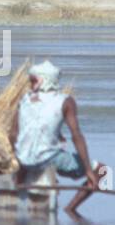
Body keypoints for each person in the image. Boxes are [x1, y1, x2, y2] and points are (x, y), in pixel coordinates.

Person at [8, 60, 105, 216]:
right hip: (48, 158)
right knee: (103, 171)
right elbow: (76, 135)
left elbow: (13, 134)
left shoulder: (24, 100)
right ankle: (70, 210)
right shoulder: (65, 101)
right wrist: (88, 170)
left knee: (35, 153)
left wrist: (18, 160)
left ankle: (22, 176)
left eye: (33, 80)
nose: (30, 84)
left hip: (24, 160)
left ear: (43, 80)